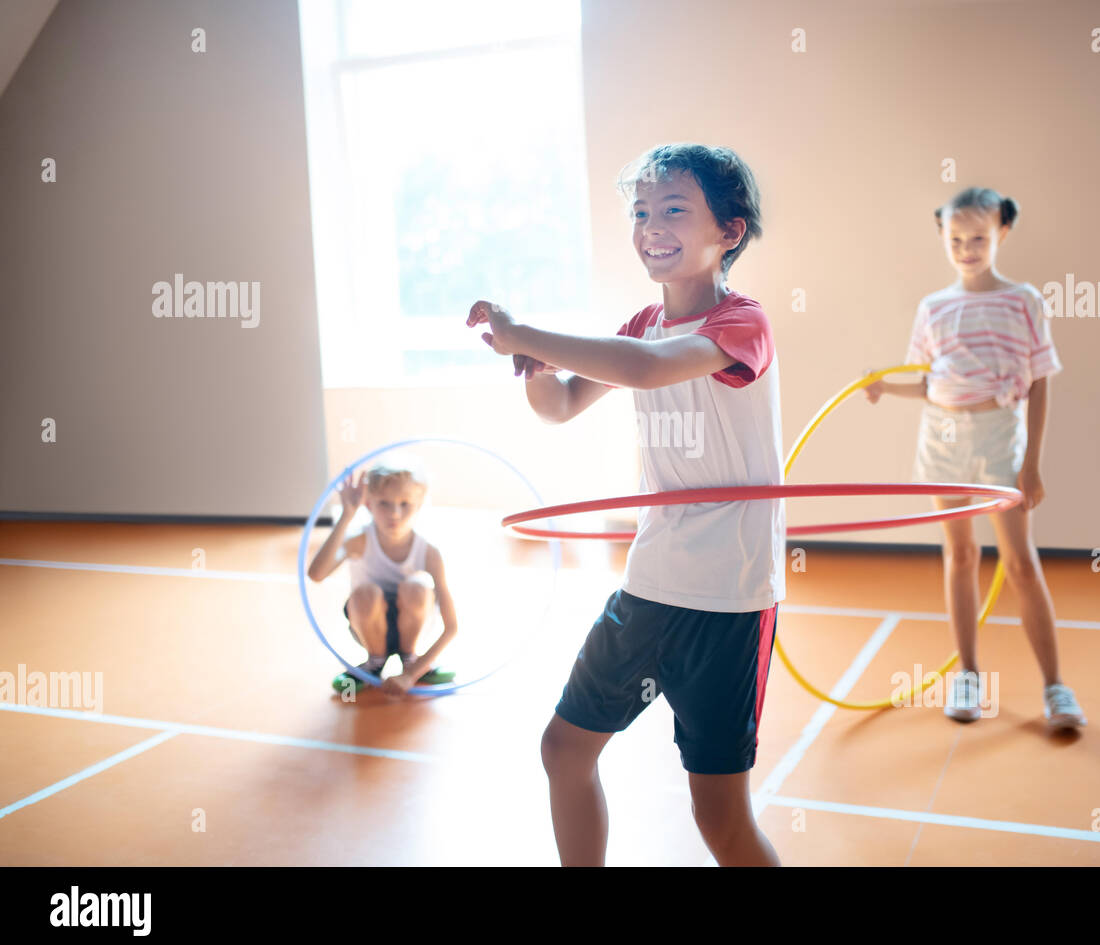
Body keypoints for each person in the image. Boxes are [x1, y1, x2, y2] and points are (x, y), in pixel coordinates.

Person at [468, 143, 785, 865]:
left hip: (729, 597)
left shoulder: (743, 323)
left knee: (719, 818)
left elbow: (643, 372)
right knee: (564, 750)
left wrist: (527, 333)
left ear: (728, 232)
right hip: (651, 583)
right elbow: (562, 405)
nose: (652, 227)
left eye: (675, 210)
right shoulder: (643, 321)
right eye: (642, 212)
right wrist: (536, 367)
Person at [864, 186, 1086, 731]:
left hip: (998, 440)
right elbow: (934, 384)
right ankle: (967, 675)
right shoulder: (934, 308)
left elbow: (1039, 384)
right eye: (956, 238)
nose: (967, 247)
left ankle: (1055, 687)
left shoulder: (1024, 300)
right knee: (960, 556)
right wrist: (886, 389)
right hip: (941, 440)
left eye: (979, 238)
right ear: (943, 236)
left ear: (1001, 233)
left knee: (1019, 563)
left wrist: (1031, 463)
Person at [306, 462, 458, 697]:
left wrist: (411, 674)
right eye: (384, 503)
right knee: (366, 593)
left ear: (419, 506)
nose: (394, 513)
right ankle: (375, 661)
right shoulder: (359, 540)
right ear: (369, 504)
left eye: (404, 504)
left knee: (417, 587)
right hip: (370, 627)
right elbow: (316, 574)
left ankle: (411, 660)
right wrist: (346, 516)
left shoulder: (429, 553)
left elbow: (451, 627)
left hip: (414, 625)